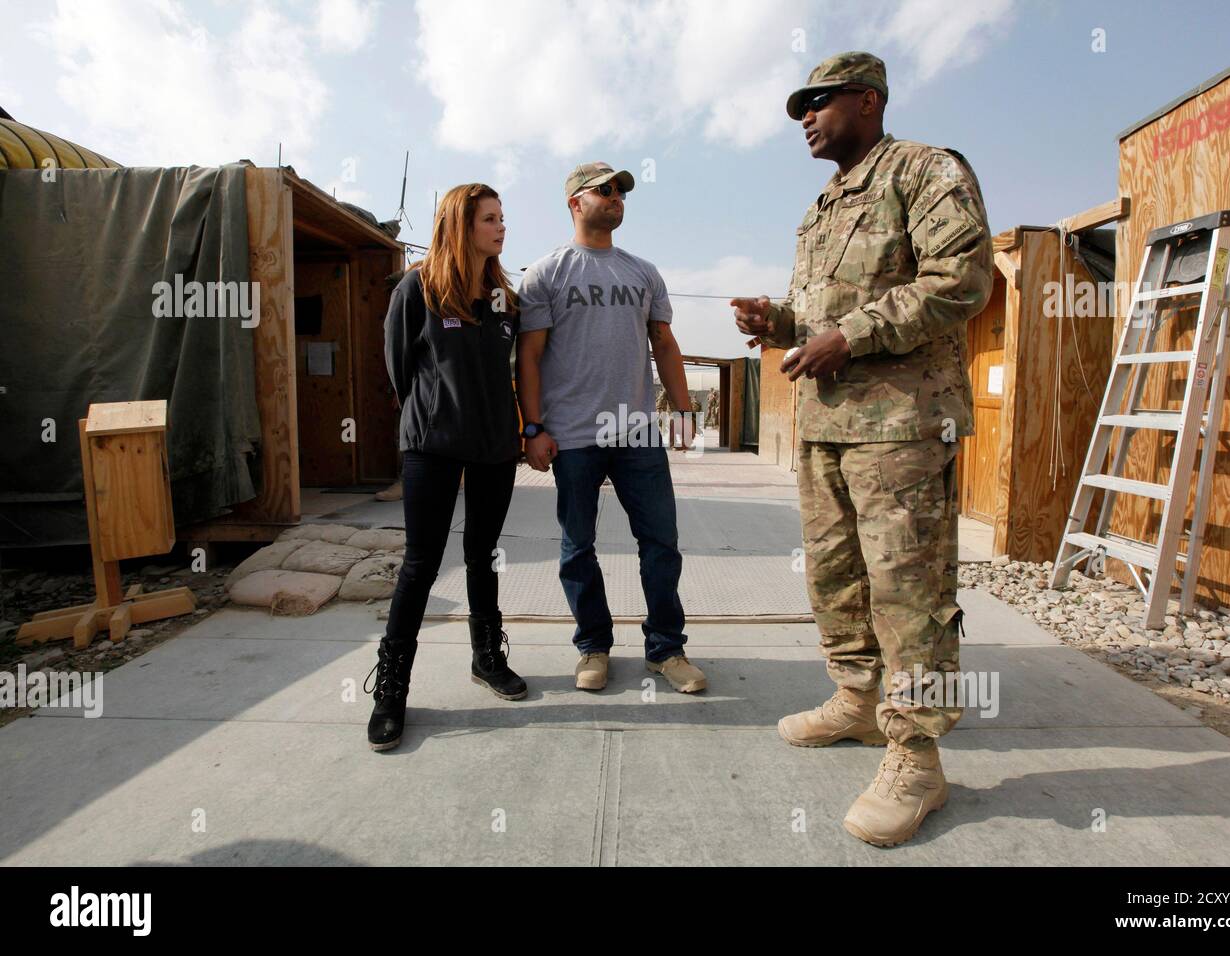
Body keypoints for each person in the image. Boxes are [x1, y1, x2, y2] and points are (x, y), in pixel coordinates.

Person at [733, 52, 993, 845]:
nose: (805, 118)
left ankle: (916, 757)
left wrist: (850, 336)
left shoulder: (924, 170)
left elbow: (961, 279)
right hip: (826, 429)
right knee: (837, 578)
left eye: (817, 102)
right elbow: (825, 313)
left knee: (908, 592)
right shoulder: (821, 208)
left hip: (903, 430)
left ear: (867, 99)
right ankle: (855, 702)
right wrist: (778, 321)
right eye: (798, 108)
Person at [516, 162, 707, 695]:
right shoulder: (546, 273)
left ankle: (666, 649)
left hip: (639, 431)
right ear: (575, 203)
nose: (617, 197)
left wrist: (685, 409)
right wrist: (532, 427)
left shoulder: (643, 271)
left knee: (661, 544)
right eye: (605, 190)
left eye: (622, 190)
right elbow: (528, 357)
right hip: (573, 434)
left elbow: (665, 344)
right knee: (578, 547)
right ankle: (592, 647)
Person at [366, 183, 528, 753]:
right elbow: (398, 369)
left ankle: (487, 658)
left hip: (495, 447)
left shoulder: (506, 296)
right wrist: (437, 414)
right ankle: (392, 690)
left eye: (502, 218)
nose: (501, 228)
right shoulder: (419, 287)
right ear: (461, 225)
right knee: (420, 563)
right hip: (432, 446)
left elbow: (511, 369)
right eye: (490, 219)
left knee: (482, 556)